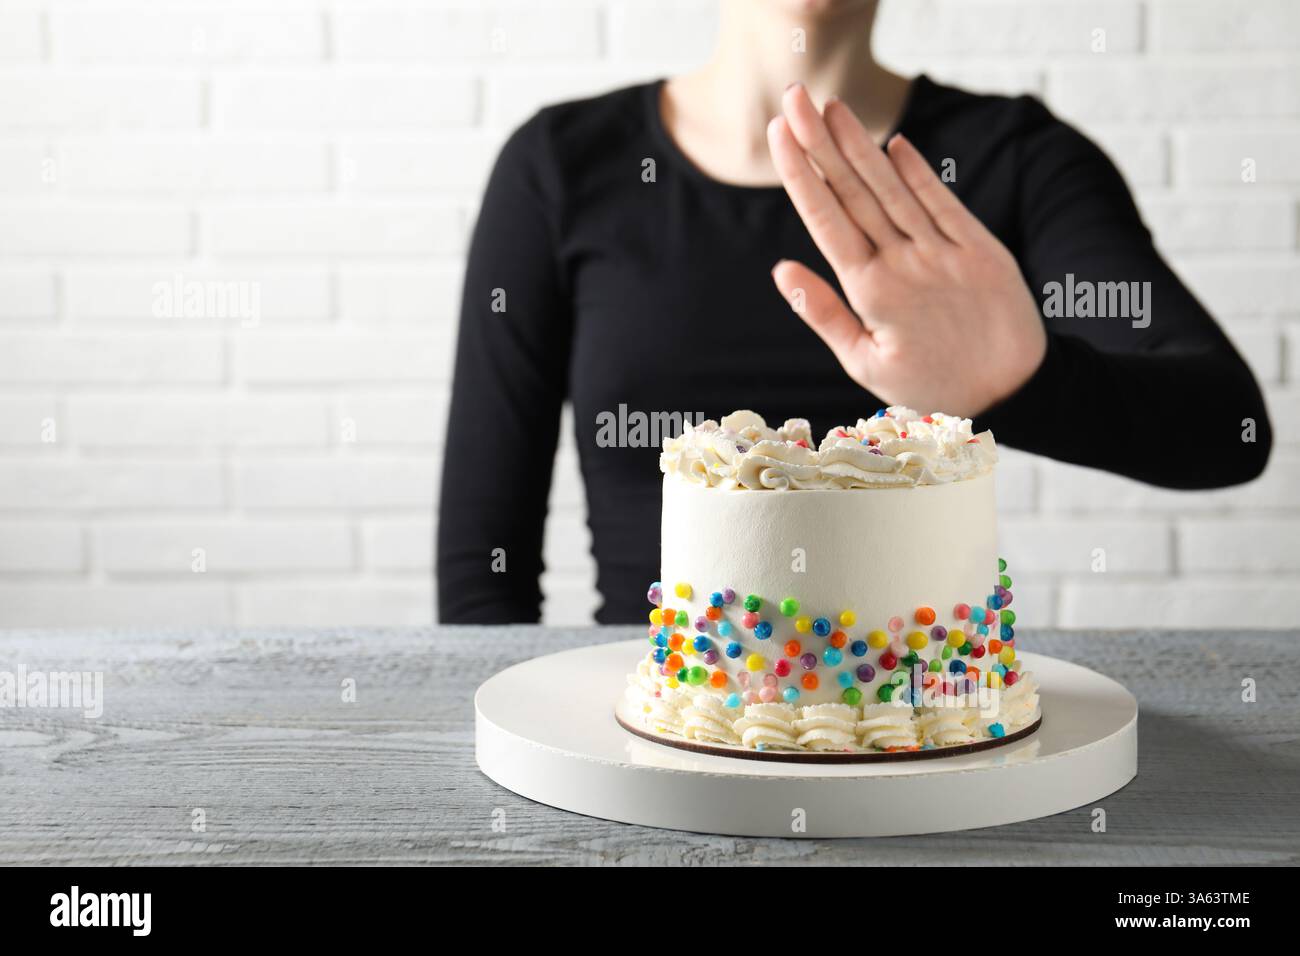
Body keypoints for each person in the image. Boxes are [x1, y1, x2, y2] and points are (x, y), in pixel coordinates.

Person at [438, 0, 1272, 624]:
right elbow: (484, 565)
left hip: (928, 751)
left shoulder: (1016, 159)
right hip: (648, 743)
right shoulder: (558, 168)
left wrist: (1023, 381)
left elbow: (1227, 425)